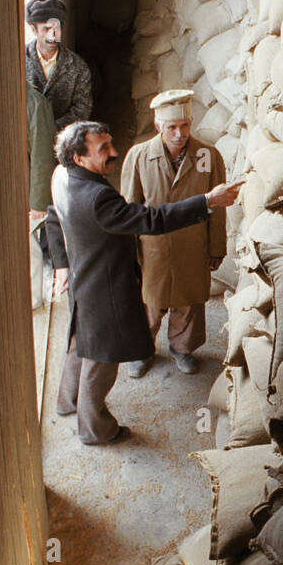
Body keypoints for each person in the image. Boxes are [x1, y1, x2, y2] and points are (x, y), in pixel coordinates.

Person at [45, 120, 242, 446]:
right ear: (79, 157)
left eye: (110, 143)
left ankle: (67, 402)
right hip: (103, 285)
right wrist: (206, 201)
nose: (114, 152)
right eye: (103, 149)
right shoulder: (98, 197)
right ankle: (96, 430)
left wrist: (62, 266)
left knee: (79, 342)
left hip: (83, 277)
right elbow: (152, 220)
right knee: (101, 361)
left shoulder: (62, 176)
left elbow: (54, 216)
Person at [119, 89, 227, 377]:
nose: (179, 134)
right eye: (171, 127)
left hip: (193, 244)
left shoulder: (208, 155)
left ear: (191, 122)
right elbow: (129, 209)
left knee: (188, 301)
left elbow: (217, 206)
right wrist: (129, 254)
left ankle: (182, 348)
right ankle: (141, 350)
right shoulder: (139, 157)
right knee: (150, 303)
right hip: (153, 247)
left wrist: (217, 247)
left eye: (185, 125)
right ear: (158, 127)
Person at [25, 0, 93, 131]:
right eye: (46, 29)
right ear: (34, 30)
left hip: (61, 141)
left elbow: (82, 109)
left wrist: (51, 129)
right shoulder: (19, 61)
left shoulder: (78, 67)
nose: (53, 35)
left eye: (57, 28)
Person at [27, 81, 56, 264]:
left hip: (24, 191)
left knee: (29, 253)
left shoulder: (35, 102)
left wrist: (38, 202)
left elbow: (42, 156)